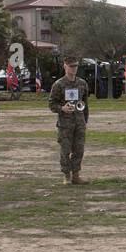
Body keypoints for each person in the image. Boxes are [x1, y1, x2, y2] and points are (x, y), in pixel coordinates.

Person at [49, 56, 90, 185]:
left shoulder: (82, 83)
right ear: (65, 67)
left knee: (79, 150)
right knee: (65, 150)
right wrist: (62, 108)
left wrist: (85, 121)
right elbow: (51, 104)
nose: (74, 69)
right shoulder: (59, 84)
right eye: (71, 66)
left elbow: (85, 104)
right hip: (65, 124)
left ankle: (76, 175)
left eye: (76, 66)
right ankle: (66, 175)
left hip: (79, 122)